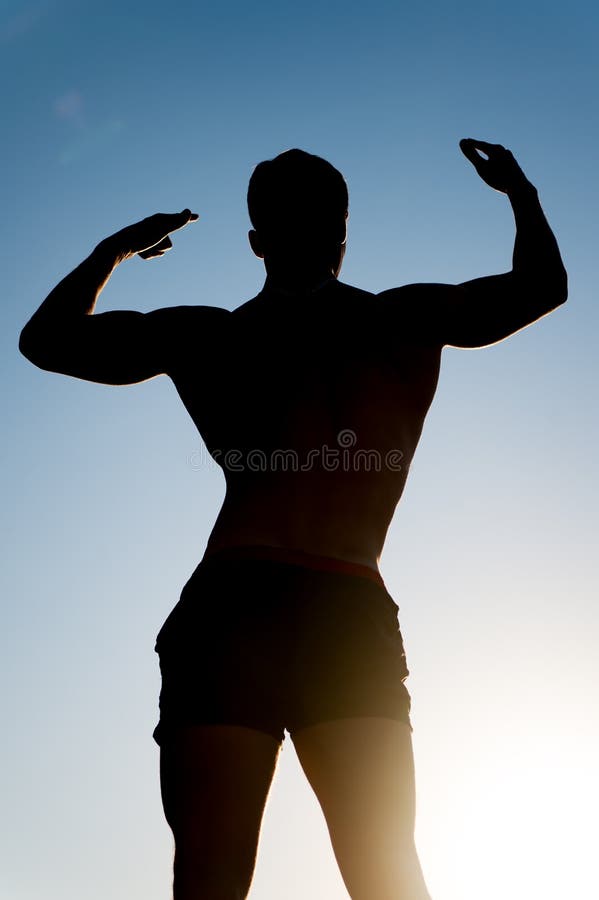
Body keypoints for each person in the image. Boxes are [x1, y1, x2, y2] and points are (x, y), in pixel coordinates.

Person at [19, 139, 567, 900]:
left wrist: (115, 252)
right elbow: (542, 287)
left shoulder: (208, 334)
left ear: (254, 241)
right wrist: (519, 192)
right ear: (344, 236)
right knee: (381, 870)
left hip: (237, 604)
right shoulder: (405, 318)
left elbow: (45, 341)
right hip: (328, 605)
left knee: (219, 875)